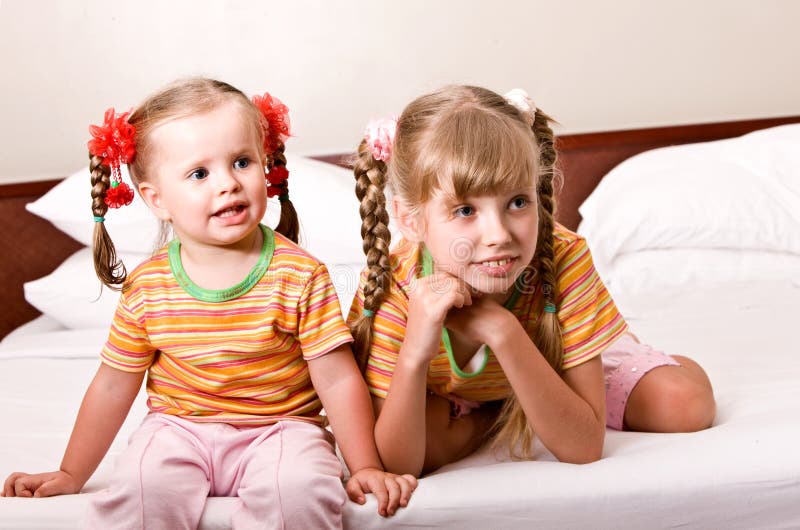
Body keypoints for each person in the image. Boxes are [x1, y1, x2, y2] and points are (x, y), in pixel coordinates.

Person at [2, 78, 416, 528]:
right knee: (140, 489)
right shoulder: (148, 287)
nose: (228, 184)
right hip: (179, 430)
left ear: (265, 165)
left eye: (242, 162)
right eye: (200, 174)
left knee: (298, 492)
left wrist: (364, 467)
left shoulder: (300, 275)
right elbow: (112, 385)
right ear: (157, 200)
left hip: (281, 430)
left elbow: (337, 380)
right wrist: (71, 472)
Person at [347, 85, 716, 478]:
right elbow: (400, 465)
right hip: (450, 393)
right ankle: (498, 411)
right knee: (426, 449)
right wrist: (416, 351)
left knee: (685, 404)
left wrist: (502, 329)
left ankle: (585, 365)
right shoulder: (393, 285)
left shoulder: (563, 256)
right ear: (409, 219)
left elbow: (584, 448)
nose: (499, 234)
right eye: (466, 210)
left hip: (553, 362)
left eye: (518, 202)